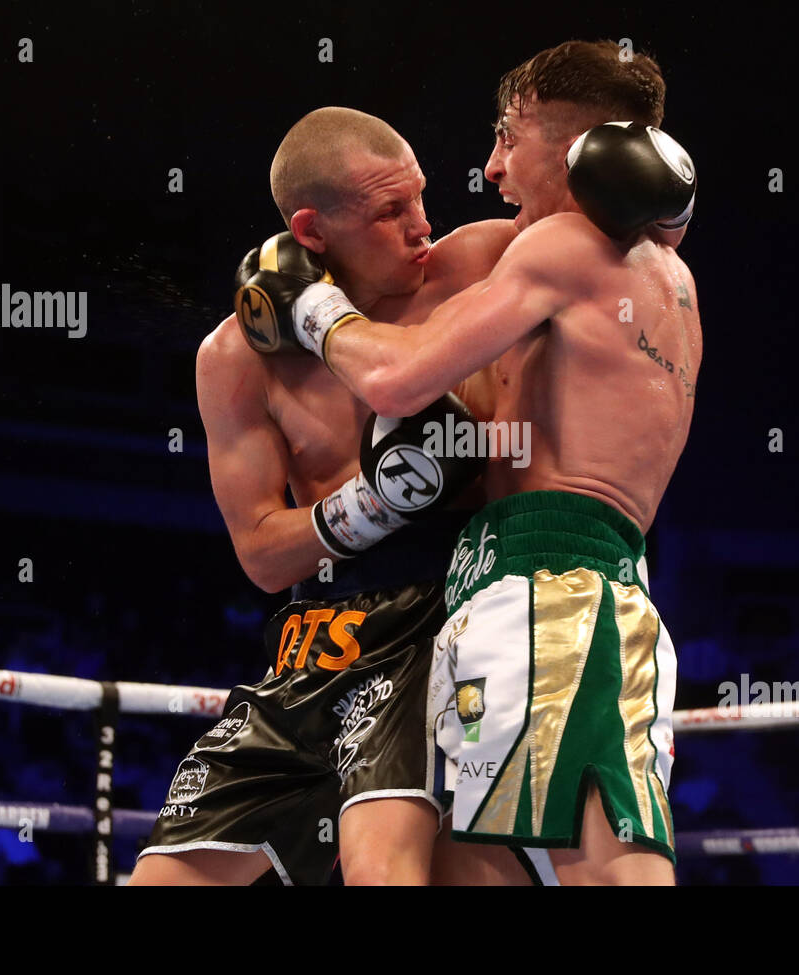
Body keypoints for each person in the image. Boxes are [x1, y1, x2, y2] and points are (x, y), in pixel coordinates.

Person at [241, 40, 700, 885]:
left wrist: (311, 302)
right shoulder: (653, 268)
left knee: (609, 869)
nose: (492, 168)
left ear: (573, 150)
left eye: (506, 137)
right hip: (520, 589)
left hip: (552, 585)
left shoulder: (565, 246)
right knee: (479, 871)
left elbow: (394, 372)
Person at [128, 106, 515, 886]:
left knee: (387, 871)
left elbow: (606, 245)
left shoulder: (478, 263)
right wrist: (375, 502)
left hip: (444, 618)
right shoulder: (235, 357)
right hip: (315, 636)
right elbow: (263, 556)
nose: (422, 225)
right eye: (389, 211)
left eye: (419, 197)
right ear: (311, 230)